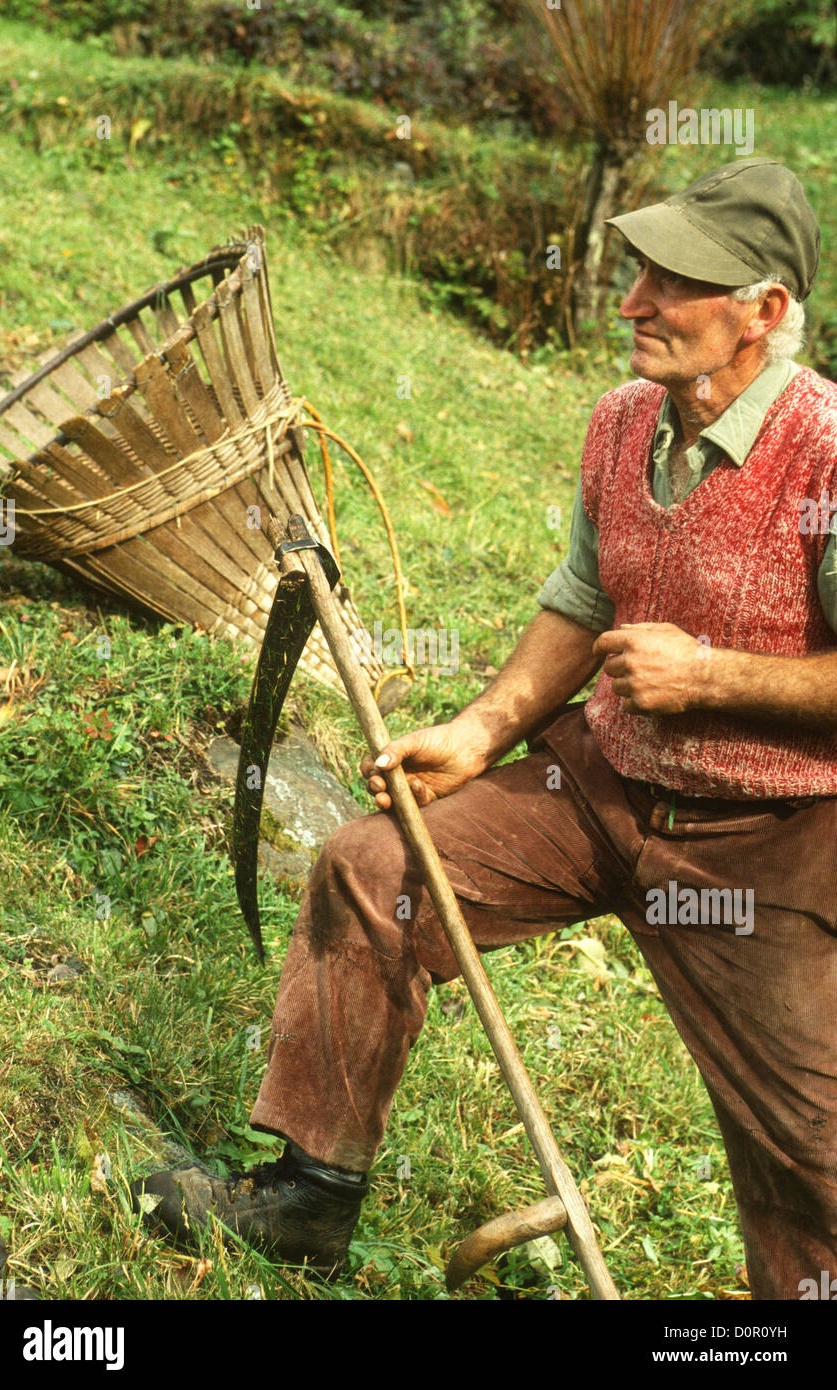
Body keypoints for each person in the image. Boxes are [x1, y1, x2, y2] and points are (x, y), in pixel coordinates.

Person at [132, 157, 837, 1299]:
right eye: (641, 270)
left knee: (813, 1151)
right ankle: (312, 1195)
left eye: (676, 281)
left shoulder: (828, 454)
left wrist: (713, 676)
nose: (633, 302)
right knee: (375, 866)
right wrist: (481, 728)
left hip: (767, 835)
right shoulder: (621, 421)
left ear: (763, 311)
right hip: (603, 781)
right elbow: (583, 597)